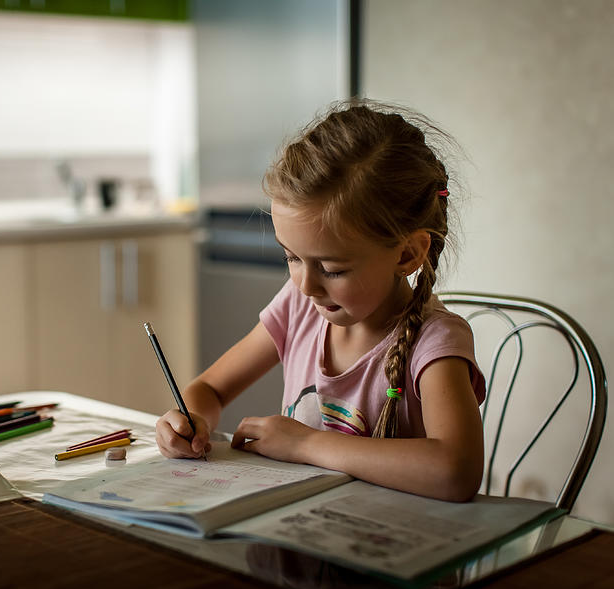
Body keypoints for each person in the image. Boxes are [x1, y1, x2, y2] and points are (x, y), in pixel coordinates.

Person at [156, 101, 486, 502]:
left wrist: (306, 444)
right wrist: (190, 421)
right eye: (291, 257)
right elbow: (209, 388)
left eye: (332, 269)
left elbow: (457, 471)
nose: (306, 285)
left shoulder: (434, 342)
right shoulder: (298, 305)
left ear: (406, 254)